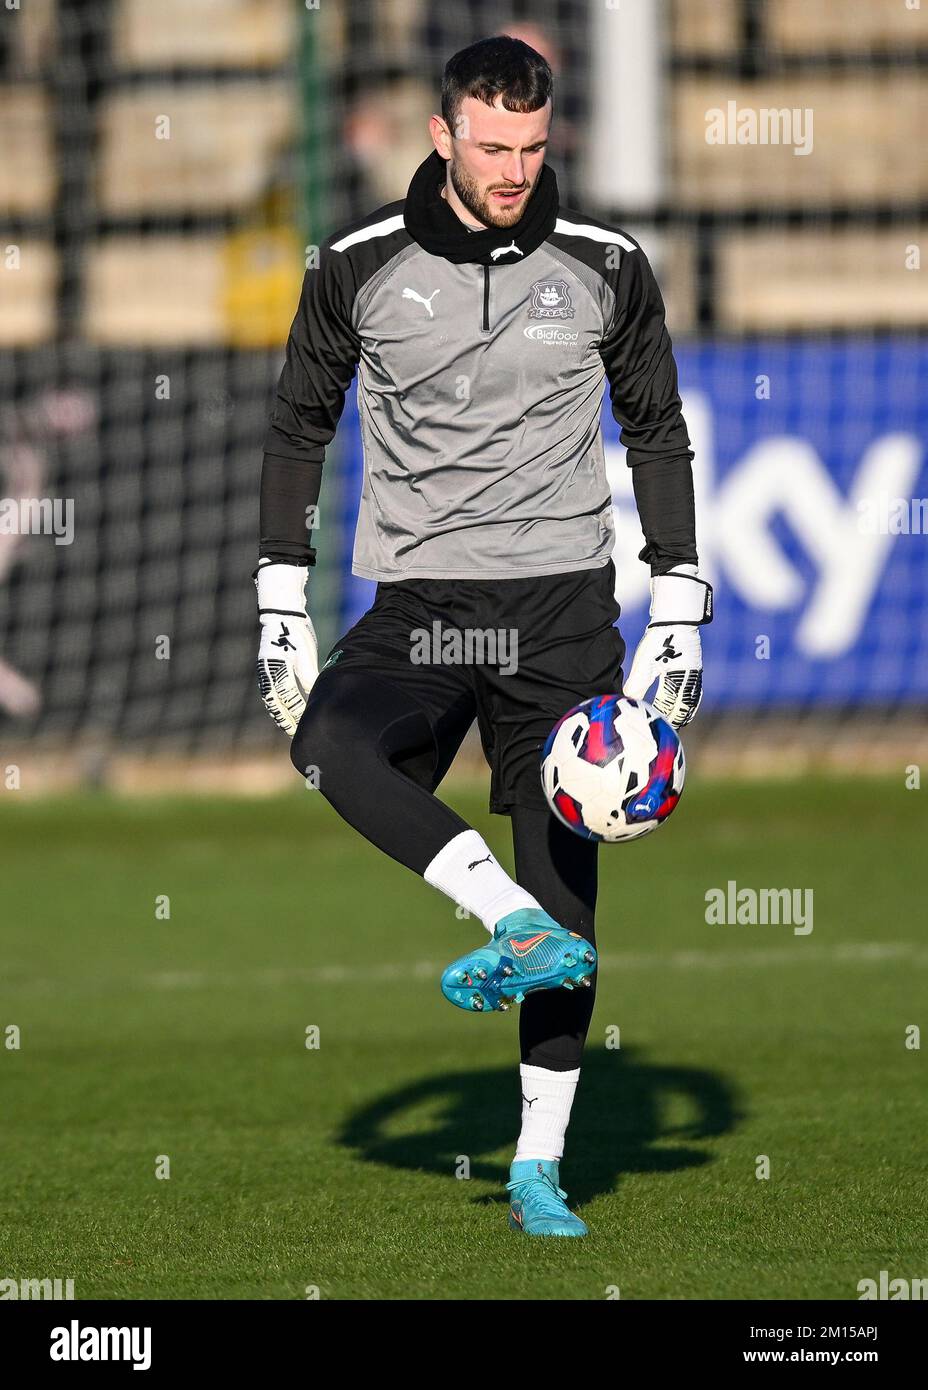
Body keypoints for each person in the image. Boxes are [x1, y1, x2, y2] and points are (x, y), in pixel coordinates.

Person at [256, 35, 711, 1237]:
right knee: (327, 748)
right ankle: (500, 917)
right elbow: (297, 424)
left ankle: (537, 1167)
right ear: (440, 136)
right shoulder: (356, 265)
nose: (514, 169)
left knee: (573, 899)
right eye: (491, 145)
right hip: (420, 604)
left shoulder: (608, 264)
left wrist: (680, 600)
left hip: (563, 613)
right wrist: (273, 590)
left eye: (533, 146)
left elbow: (656, 430)